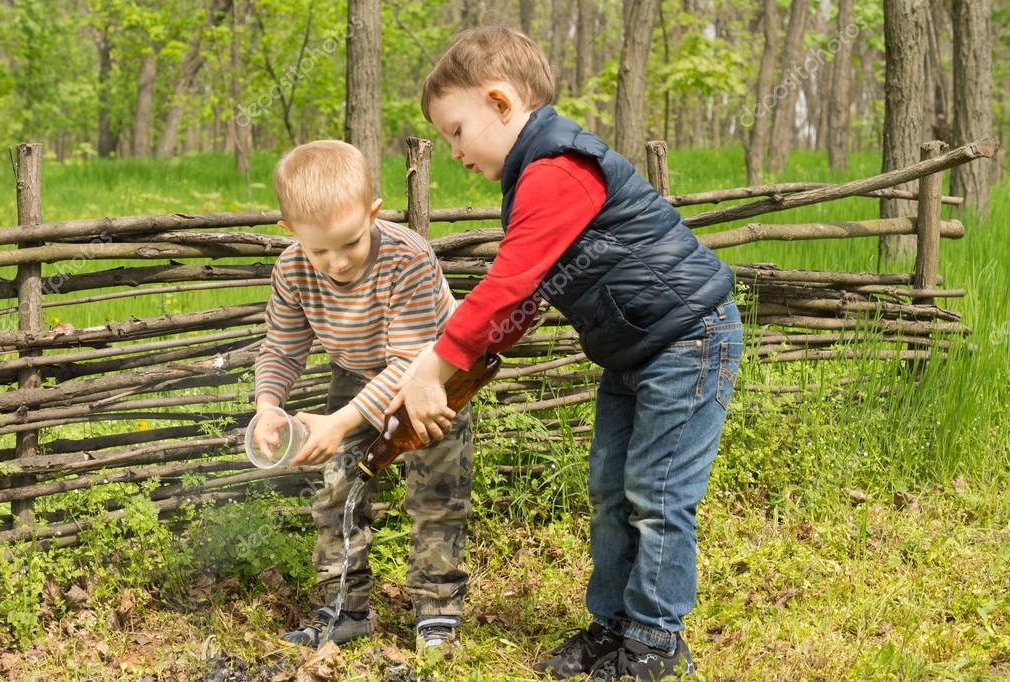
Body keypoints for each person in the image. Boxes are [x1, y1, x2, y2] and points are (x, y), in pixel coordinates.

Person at [387, 27, 743, 679]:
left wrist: (432, 366)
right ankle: (612, 627)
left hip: (687, 337)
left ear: (499, 102)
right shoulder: (531, 176)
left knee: (656, 493)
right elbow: (526, 302)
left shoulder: (557, 165)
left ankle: (655, 643)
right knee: (611, 490)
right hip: (631, 351)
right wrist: (461, 365)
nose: (453, 150)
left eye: (455, 130)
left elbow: (510, 281)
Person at [252, 140, 472, 652]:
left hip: (433, 378)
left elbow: (408, 368)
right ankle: (344, 609)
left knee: (435, 494)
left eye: (349, 244)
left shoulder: (408, 257)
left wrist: (339, 422)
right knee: (335, 491)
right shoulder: (292, 268)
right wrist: (268, 405)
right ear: (291, 234)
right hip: (354, 375)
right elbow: (281, 348)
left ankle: (437, 612)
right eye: (319, 250)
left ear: (374, 214)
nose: (336, 263)